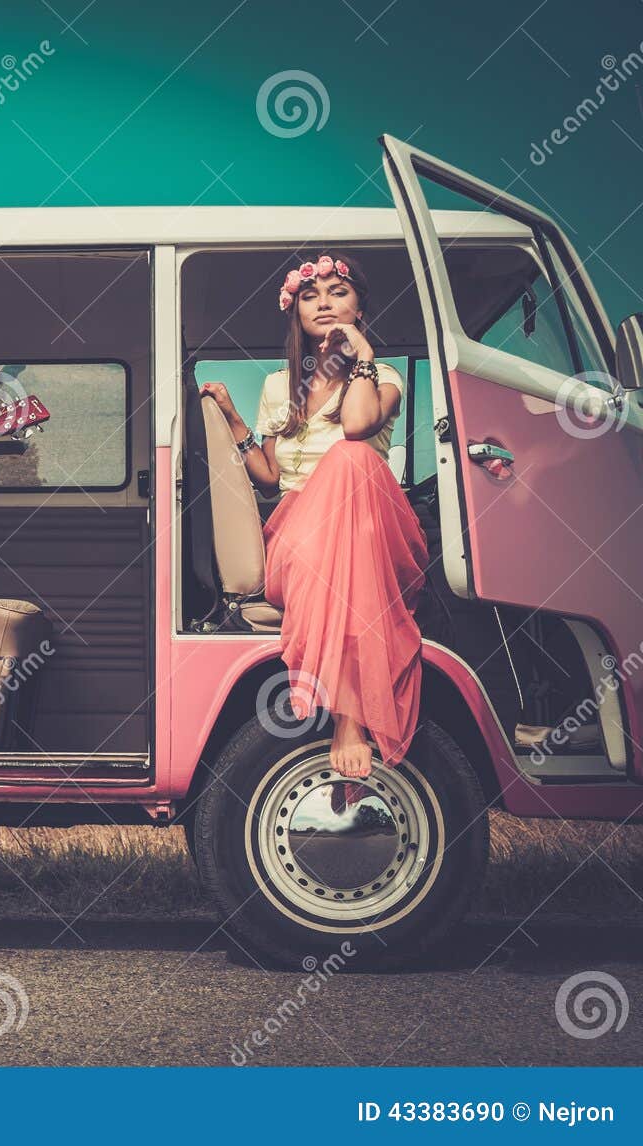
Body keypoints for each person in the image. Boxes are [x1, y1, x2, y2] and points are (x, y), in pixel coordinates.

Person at [200, 252, 429, 779]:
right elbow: (270, 477)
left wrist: (361, 354)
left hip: (373, 527)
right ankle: (350, 711)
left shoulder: (383, 376)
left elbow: (356, 426)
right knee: (332, 496)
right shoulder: (280, 387)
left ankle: (351, 718)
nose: (324, 302)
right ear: (296, 312)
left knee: (350, 460)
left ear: (359, 306)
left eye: (337, 292)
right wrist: (236, 421)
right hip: (298, 534)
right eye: (310, 295)